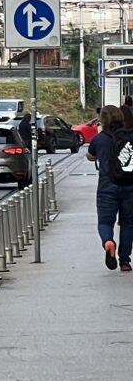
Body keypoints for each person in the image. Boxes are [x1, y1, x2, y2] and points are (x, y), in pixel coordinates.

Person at [86, 105, 133, 271]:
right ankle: (125, 261)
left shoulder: (99, 139)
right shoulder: (130, 137)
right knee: (128, 223)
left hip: (107, 187)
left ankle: (108, 241)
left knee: (105, 222)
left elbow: (90, 156)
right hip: (129, 186)